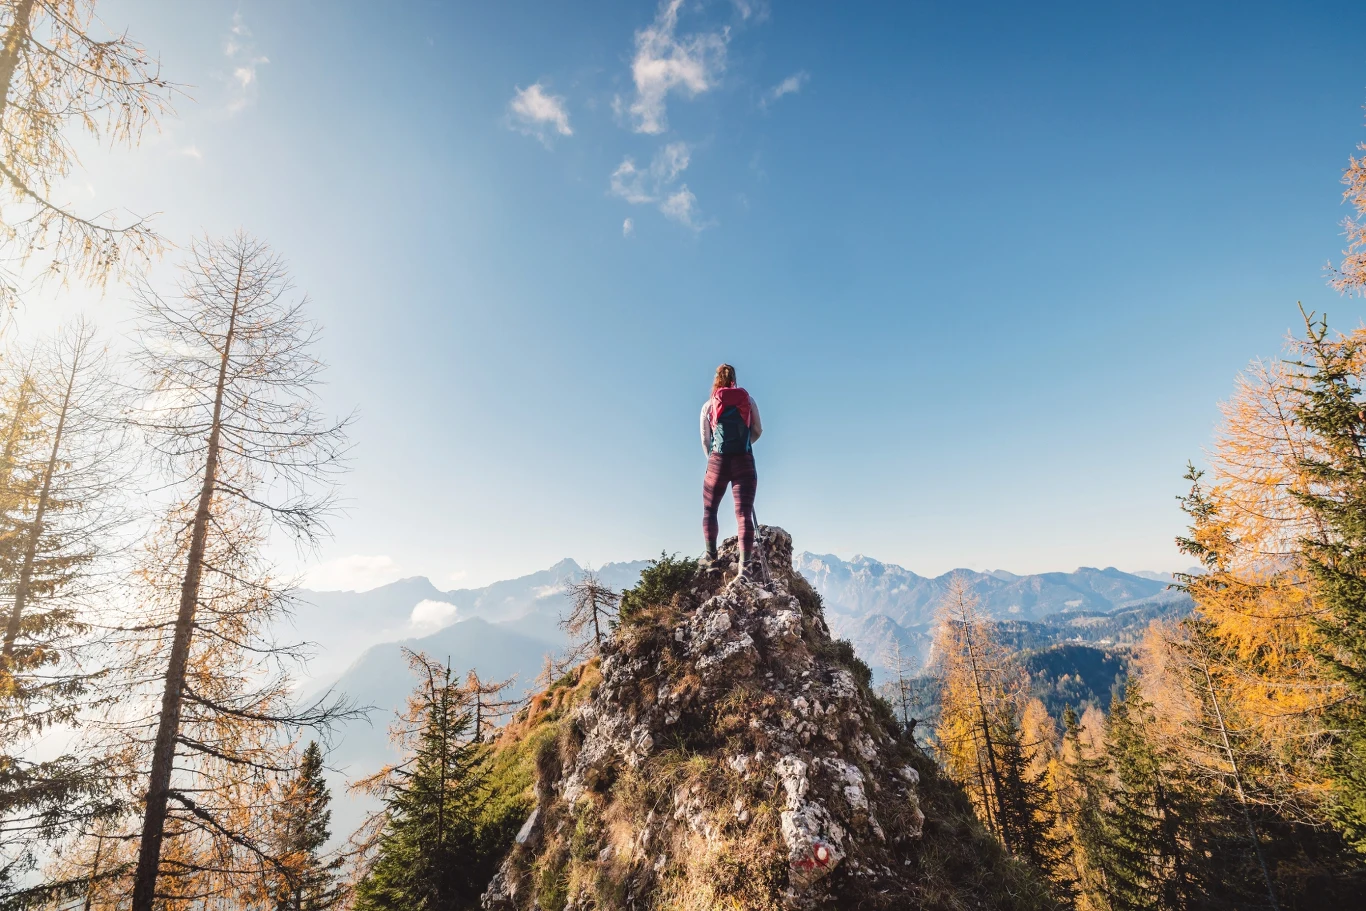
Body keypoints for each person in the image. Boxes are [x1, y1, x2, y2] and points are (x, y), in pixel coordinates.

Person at [700, 363, 763, 577]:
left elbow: (705, 439)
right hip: (743, 460)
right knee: (743, 513)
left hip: (717, 461)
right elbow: (757, 430)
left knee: (710, 510)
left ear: (716, 379)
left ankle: (712, 561)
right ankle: (745, 567)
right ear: (734, 378)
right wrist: (745, 445)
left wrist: (713, 457)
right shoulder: (748, 400)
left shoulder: (709, 405)